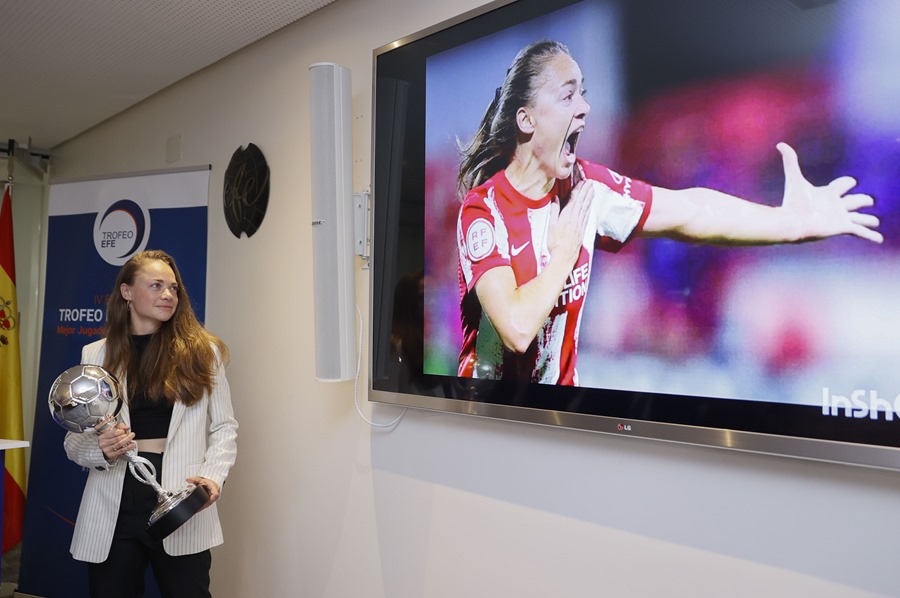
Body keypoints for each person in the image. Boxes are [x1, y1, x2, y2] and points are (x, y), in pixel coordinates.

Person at [456, 40, 882, 385]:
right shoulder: (483, 211)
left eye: (583, 95)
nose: (584, 108)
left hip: (559, 423)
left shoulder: (587, 190)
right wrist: (565, 252)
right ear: (527, 119)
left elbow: (691, 210)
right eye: (568, 96)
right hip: (493, 421)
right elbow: (515, 329)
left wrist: (786, 224)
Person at [63, 249, 238, 598]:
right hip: (114, 498)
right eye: (156, 285)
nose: (168, 295)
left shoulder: (205, 351)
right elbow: (73, 441)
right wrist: (100, 448)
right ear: (127, 292)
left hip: (182, 497)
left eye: (173, 288)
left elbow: (224, 426)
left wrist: (213, 476)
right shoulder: (95, 355)